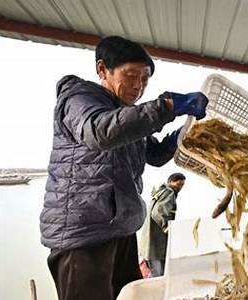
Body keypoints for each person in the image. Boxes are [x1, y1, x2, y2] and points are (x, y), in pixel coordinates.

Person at [39, 36, 208, 300]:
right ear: (102, 69)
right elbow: (99, 131)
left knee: (132, 296)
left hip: (121, 229)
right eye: (131, 76)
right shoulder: (79, 98)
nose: (138, 86)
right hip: (84, 236)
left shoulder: (127, 117)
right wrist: (167, 107)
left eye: (144, 79)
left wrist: (181, 137)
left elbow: (154, 155)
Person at [139, 173, 186, 277]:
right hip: (156, 243)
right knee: (158, 276)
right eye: (178, 184)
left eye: (182, 185)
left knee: (156, 273)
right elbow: (158, 213)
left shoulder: (161, 192)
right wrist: (167, 228)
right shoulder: (169, 192)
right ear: (170, 182)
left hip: (150, 242)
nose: (180, 187)